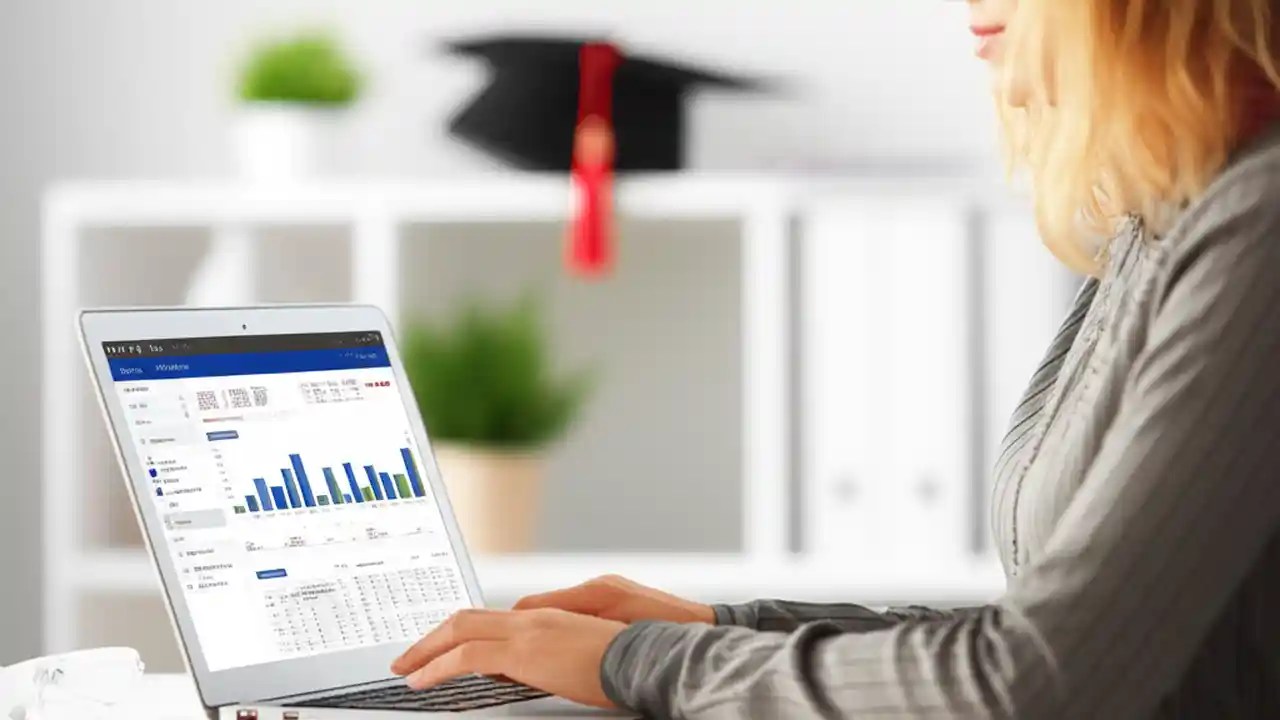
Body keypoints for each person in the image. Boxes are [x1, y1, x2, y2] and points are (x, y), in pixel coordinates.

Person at [391, 0, 1280, 716]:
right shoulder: (1163, 214)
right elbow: (1052, 635)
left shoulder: (1258, 218)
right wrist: (721, 626)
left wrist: (638, 661)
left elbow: (1036, 679)